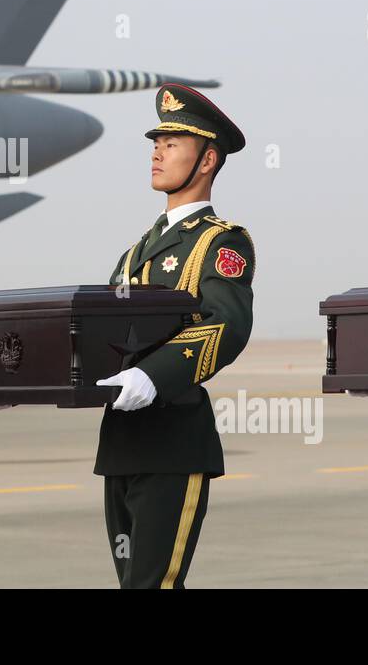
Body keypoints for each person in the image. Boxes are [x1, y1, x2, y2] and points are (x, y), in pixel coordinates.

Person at [94, 83, 255, 589]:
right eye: (156, 142)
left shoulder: (220, 240)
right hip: (122, 441)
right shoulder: (136, 249)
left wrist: (153, 376)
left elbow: (227, 324)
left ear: (207, 160)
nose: (157, 152)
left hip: (172, 437)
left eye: (173, 142)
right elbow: (103, 335)